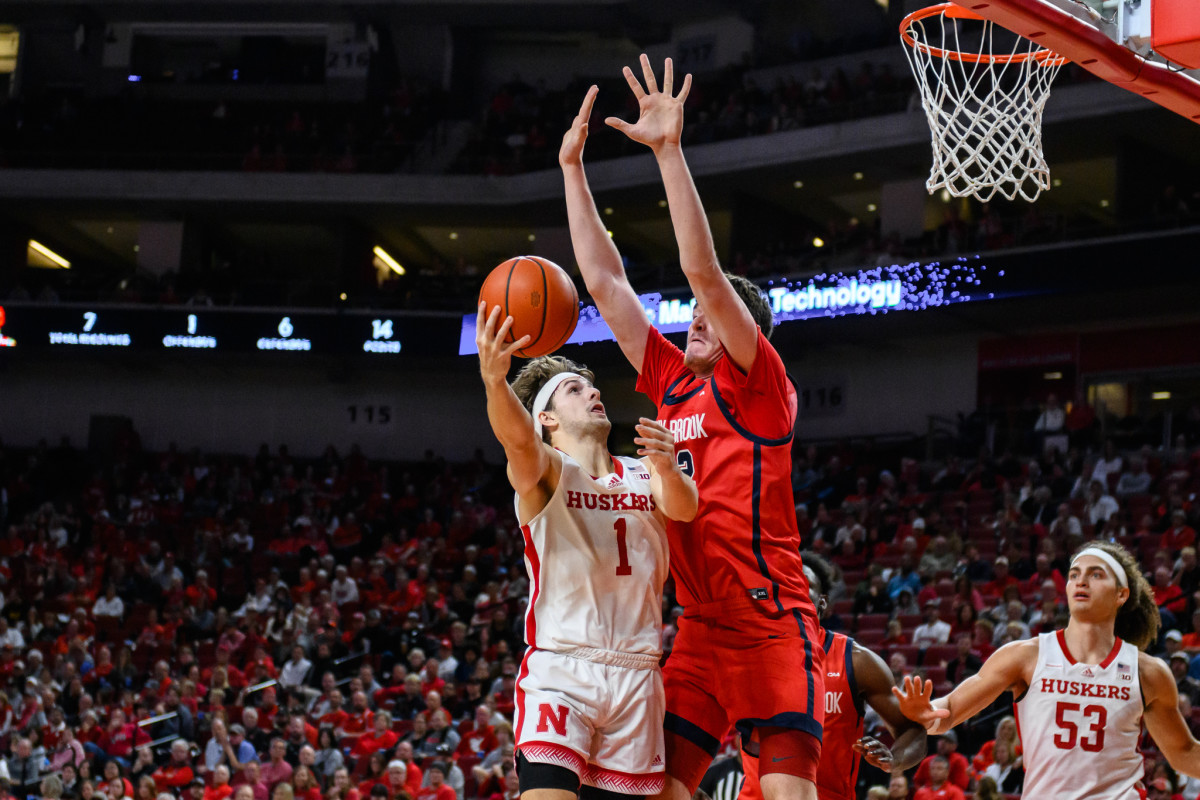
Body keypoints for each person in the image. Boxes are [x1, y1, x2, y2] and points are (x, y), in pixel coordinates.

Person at [560, 55, 824, 800]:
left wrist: (669, 154)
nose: (698, 316)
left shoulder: (761, 385)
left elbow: (704, 271)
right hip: (701, 630)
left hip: (772, 624)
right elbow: (606, 286)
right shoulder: (672, 379)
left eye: (714, 315)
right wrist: (572, 171)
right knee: (660, 791)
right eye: (696, 315)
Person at [474, 300, 698, 800]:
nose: (593, 392)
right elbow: (516, 442)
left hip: (638, 674)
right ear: (546, 418)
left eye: (591, 386)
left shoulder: (643, 470)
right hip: (562, 669)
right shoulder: (546, 471)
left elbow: (684, 510)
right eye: (574, 389)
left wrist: (668, 469)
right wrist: (495, 383)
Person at [895, 541, 1200, 798]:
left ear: (1122, 594)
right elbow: (949, 708)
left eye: (1096, 575)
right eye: (1074, 574)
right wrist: (926, 715)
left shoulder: (1147, 672)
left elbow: (1184, 753)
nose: (1081, 581)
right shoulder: (1025, 656)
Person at [737, 552, 925, 800]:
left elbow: (912, 730)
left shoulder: (857, 661)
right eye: (785, 583)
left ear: (822, 602)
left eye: (803, 584)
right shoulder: (745, 656)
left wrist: (895, 759)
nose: (793, 590)